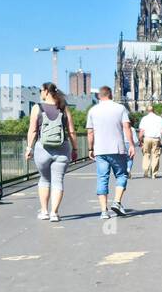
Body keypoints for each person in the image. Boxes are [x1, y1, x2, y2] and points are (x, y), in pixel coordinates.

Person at [25, 82, 78, 222]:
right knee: (58, 181)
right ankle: (54, 212)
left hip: (43, 149)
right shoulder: (64, 108)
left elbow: (33, 130)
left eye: (41, 90)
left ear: (46, 92)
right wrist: (75, 149)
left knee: (44, 179)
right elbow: (71, 131)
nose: (40, 93)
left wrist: (29, 148)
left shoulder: (38, 108)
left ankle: (44, 211)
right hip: (62, 148)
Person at [85, 86, 135, 218]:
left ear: (99, 96)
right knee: (122, 175)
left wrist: (90, 148)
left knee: (102, 178)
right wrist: (131, 145)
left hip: (100, 150)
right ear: (111, 94)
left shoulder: (93, 110)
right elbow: (126, 127)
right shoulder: (120, 108)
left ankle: (103, 211)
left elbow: (90, 132)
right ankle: (117, 202)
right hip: (117, 148)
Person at [138, 103, 162, 178]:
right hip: (156, 139)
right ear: (154, 110)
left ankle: (145, 171)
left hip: (147, 138)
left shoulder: (144, 119)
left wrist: (140, 140)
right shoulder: (159, 118)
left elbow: (141, 131)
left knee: (146, 155)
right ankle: (154, 173)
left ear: (147, 111)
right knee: (155, 155)